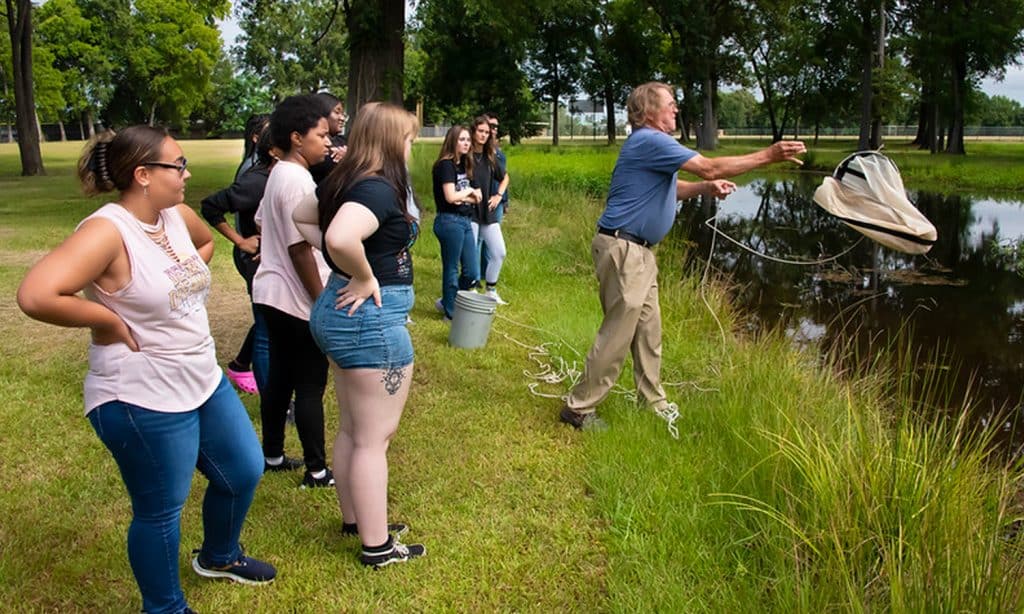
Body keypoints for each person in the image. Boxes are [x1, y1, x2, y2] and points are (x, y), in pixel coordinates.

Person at [16, 126, 275, 614]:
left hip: (200, 377)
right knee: (160, 511)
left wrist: (178, 284)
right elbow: (36, 295)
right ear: (142, 175)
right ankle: (165, 608)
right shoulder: (107, 231)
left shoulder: (174, 214)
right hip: (141, 394)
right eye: (177, 165)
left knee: (243, 469)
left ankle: (218, 557)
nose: (186, 173)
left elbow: (205, 248)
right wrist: (107, 317)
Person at [560, 82, 806, 430]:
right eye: (671, 104)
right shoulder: (650, 139)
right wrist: (768, 155)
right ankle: (578, 409)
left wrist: (705, 190)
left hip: (640, 253)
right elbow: (709, 166)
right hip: (624, 250)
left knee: (649, 332)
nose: (676, 109)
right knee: (618, 335)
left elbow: (671, 187)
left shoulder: (655, 147)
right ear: (648, 112)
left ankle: (653, 402)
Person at [294, 102, 426, 567]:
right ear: (393, 141)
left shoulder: (344, 179)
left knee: (354, 428)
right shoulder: (377, 188)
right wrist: (364, 274)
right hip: (370, 318)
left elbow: (303, 216)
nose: (412, 147)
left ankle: (357, 519)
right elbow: (338, 238)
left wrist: (347, 265)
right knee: (374, 438)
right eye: (409, 139)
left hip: (337, 314)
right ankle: (377, 546)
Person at [252, 94, 334, 487]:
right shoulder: (296, 179)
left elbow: (262, 223)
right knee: (310, 383)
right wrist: (319, 301)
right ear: (298, 138)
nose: (327, 141)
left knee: (280, 379)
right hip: (294, 298)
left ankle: (272, 454)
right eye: (321, 135)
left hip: (270, 293)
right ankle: (317, 471)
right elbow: (299, 247)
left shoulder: (278, 174)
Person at [201, 122, 273, 395]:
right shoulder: (255, 181)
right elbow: (211, 206)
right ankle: (274, 401)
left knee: (274, 327)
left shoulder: (289, 175)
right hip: (254, 259)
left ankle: (243, 363)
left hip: (274, 260)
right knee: (267, 332)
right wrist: (241, 240)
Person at [431, 125, 482, 320]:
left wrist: (465, 196)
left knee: (472, 272)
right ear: (452, 141)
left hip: (466, 220)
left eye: (468, 140)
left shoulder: (465, 165)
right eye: (462, 139)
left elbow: (478, 197)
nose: (466, 143)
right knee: (451, 268)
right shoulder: (446, 165)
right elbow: (451, 197)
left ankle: (447, 301)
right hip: (449, 221)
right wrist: (468, 192)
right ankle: (450, 313)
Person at [477, 112, 511, 304]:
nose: (489, 132)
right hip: (471, 213)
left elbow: (505, 176)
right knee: (472, 256)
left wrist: (500, 197)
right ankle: (451, 299)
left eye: (492, 129)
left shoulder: (493, 155)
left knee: (499, 251)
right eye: (483, 130)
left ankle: (490, 289)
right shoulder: (468, 156)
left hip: (489, 210)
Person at [309, 92, 348, 184]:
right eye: (337, 112)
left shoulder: (343, 140)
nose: (342, 118)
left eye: (343, 114)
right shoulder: (313, 144)